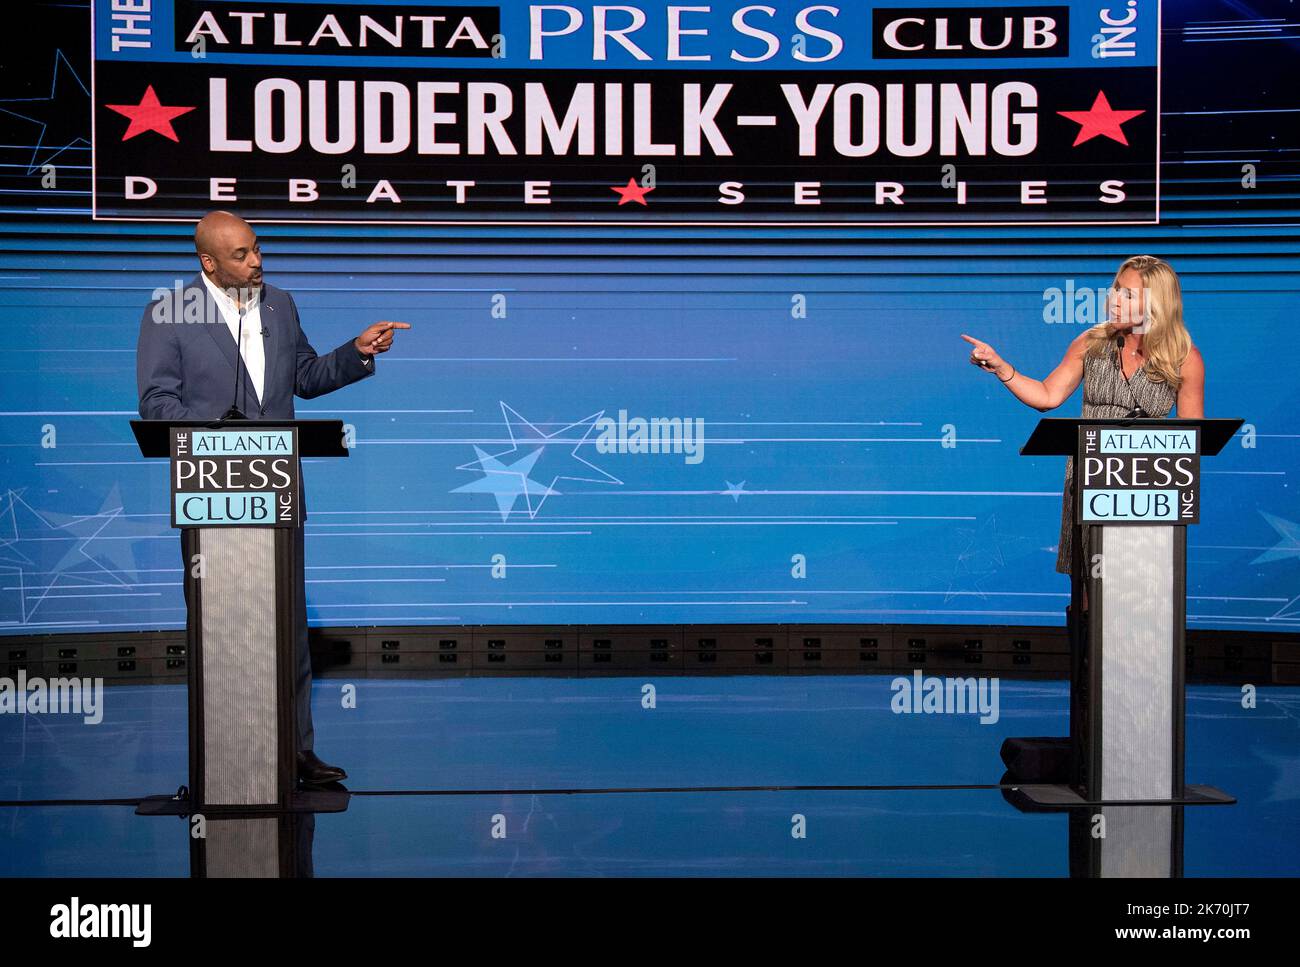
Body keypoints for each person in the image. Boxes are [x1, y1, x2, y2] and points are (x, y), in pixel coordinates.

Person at [136, 210, 410, 785]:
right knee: (217, 624)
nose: (256, 261)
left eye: (257, 249)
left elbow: (305, 377)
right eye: (241, 255)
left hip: (277, 488)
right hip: (210, 489)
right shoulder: (170, 312)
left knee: (287, 624)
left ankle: (296, 749)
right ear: (208, 262)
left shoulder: (279, 305)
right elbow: (159, 404)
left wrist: (357, 351)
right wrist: (227, 432)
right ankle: (223, 749)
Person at [960, 254, 1205, 591]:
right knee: (1090, 589)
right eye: (1116, 289)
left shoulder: (1184, 358)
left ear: (1156, 304)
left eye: (1128, 294)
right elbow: (1047, 395)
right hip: (1092, 480)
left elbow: (1191, 438)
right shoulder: (1092, 343)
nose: (1115, 300)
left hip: (1148, 488)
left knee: (1140, 594)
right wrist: (1003, 369)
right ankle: (1084, 637)